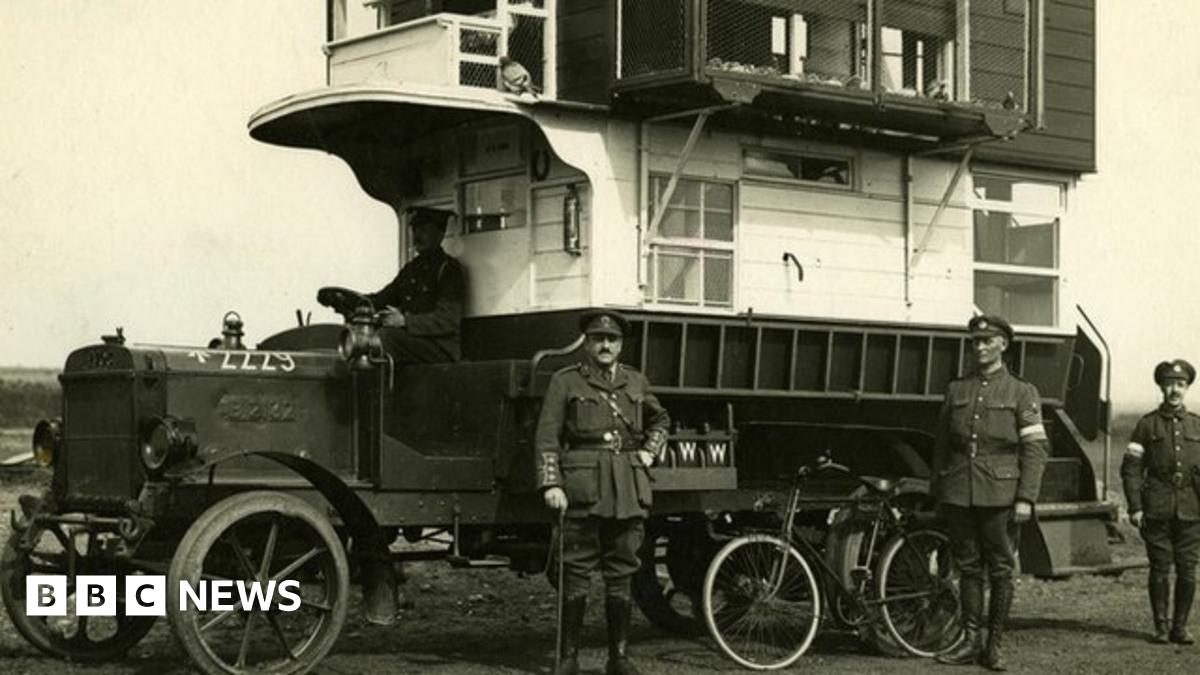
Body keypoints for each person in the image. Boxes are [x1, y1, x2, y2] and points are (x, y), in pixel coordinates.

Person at [535, 310, 669, 675]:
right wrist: (551, 482)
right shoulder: (565, 382)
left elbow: (661, 419)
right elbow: (547, 436)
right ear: (587, 344)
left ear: (620, 345)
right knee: (575, 573)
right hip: (582, 489)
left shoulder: (635, 381)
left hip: (627, 487)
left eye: (611, 340)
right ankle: (568, 659)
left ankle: (619, 658)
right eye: (597, 339)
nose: (605, 345)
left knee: (622, 572)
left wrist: (649, 451)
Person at [932, 314, 1048, 671]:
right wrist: (940, 488)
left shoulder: (1021, 391)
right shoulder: (957, 389)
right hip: (959, 491)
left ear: (1003, 345)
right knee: (968, 568)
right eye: (975, 342)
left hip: (1000, 493)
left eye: (987, 341)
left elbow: (1035, 449)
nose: (980, 347)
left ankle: (993, 646)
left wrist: (1026, 497)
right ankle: (969, 642)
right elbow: (941, 446)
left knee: (1000, 569)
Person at [320, 206, 465, 363]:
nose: (417, 236)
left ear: (440, 234)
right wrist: (344, 299)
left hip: (440, 348)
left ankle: (376, 386)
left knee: (385, 338)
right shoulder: (411, 269)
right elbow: (380, 300)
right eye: (415, 230)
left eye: (423, 230)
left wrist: (404, 321)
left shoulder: (448, 269)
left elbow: (448, 320)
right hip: (415, 342)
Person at [1122, 359, 1200, 645]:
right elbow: (1130, 469)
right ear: (1161, 387)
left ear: (1187, 387)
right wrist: (1135, 507)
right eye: (1169, 384)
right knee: (1160, 568)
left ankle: (1180, 627)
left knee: (1188, 570)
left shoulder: (1197, 425)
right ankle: (1161, 627)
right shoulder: (1146, 425)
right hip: (1156, 509)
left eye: (1180, 384)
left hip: (1191, 511)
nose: (1174, 390)